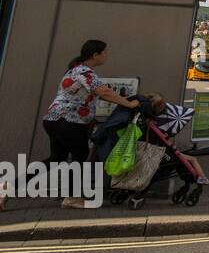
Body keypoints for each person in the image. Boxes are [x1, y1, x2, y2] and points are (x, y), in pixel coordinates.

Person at [42, 40, 140, 208]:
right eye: (104, 52)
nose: (106, 55)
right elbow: (104, 92)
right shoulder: (85, 71)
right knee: (80, 155)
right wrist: (129, 104)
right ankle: (72, 197)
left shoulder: (75, 69)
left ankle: (7, 187)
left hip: (53, 119)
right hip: (70, 121)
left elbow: (100, 93)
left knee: (56, 158)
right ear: (95, 54)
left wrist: (119, 98)